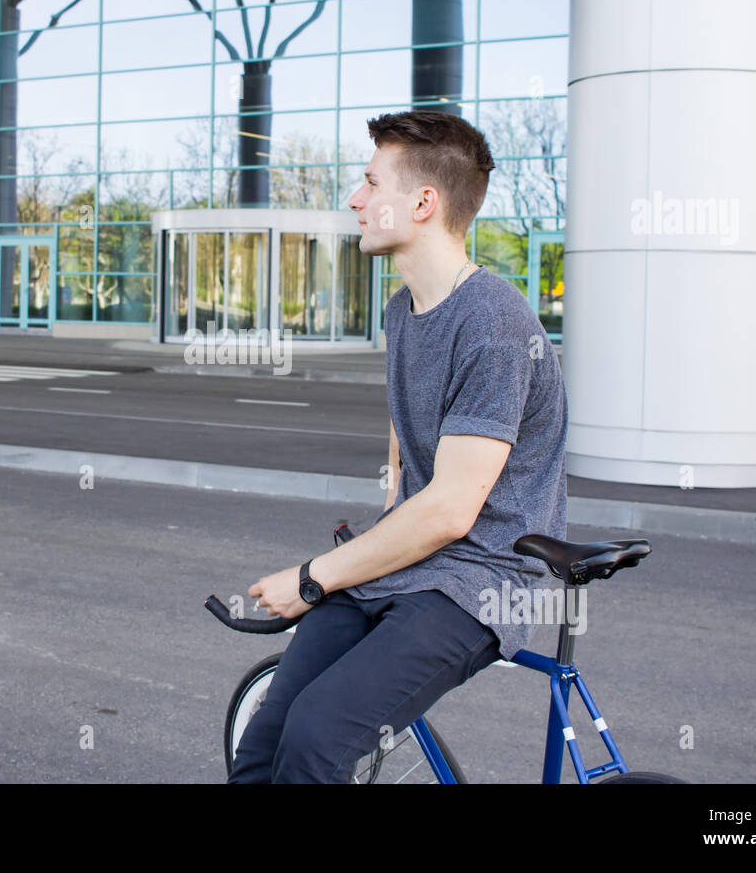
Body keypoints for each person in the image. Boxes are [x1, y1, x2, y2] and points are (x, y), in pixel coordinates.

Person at [227, 109, 569, 784]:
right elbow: (406, 437)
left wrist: (313, 577)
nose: (355, 199)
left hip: (478, 578)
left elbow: (449, 512)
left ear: (422, 203)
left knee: (317, 741)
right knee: (265, 744)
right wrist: (389, 510)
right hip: (407, 562)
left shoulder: (495, 325)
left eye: (369, 182)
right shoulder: (401, 309)